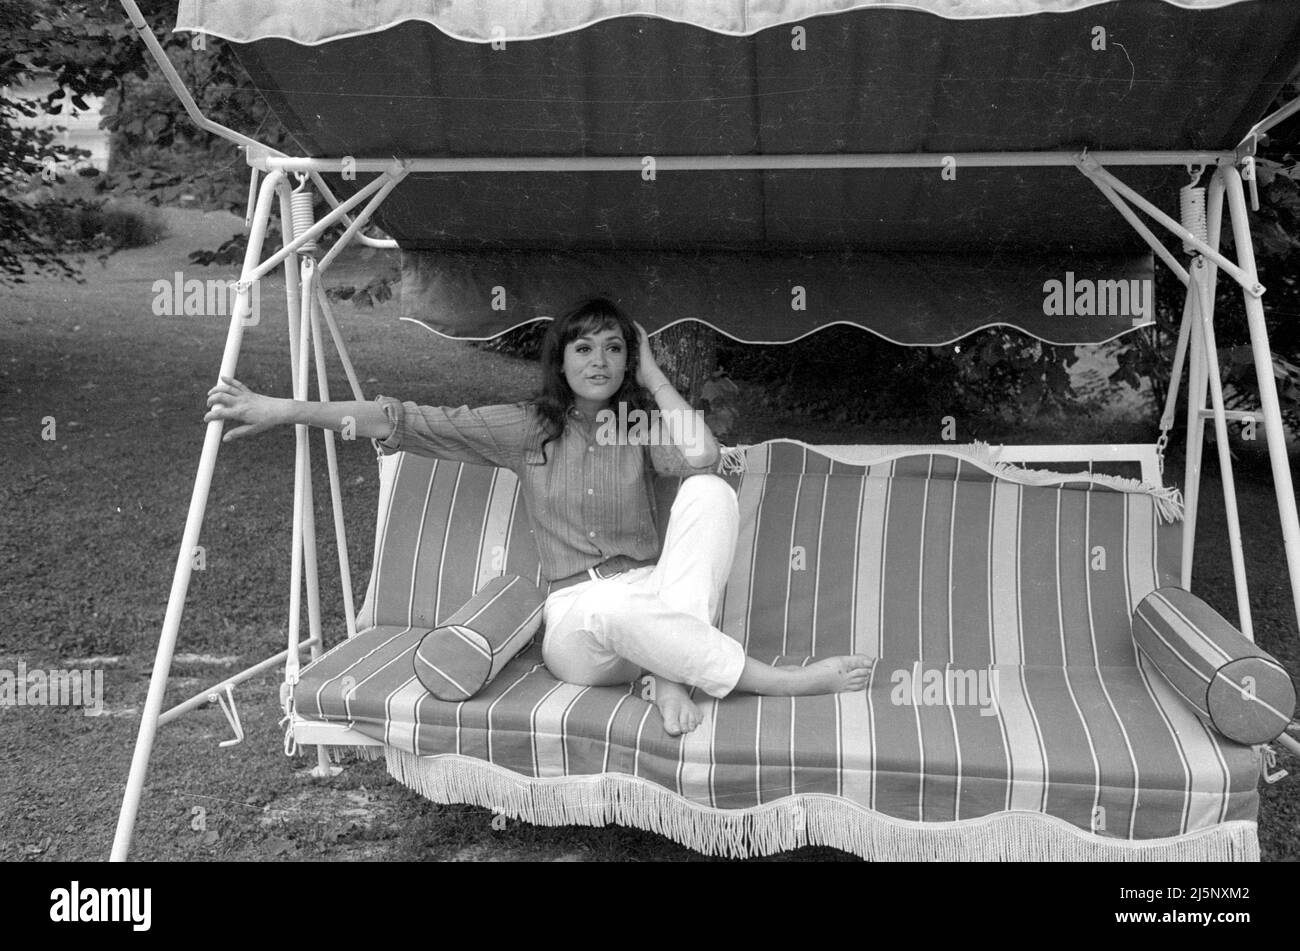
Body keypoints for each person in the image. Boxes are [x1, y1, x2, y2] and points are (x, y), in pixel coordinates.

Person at [204, 297, 871, 735]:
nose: (600, 360)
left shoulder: (636, 421)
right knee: (611, 610)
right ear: (560, 358)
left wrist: (657, 376)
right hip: (579, 619)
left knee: (710, 493)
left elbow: (704, 454)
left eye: (614, 348)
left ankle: (669, 673)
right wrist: (280, 409)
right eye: (584, 347)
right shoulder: (528, 427)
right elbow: (401, 419)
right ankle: (770, 679)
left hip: (656, 596)